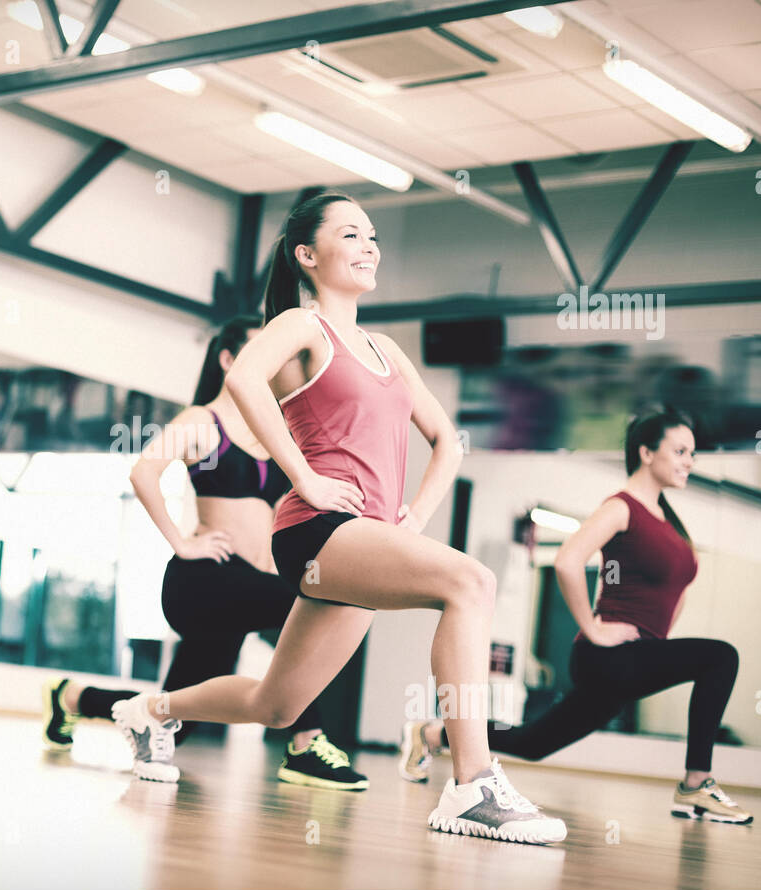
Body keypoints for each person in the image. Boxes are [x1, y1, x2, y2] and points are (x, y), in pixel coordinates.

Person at [108, 192, 566, 844]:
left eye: (373, 235)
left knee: (276, 703)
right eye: (351, 234)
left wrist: (413, 519)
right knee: (472, 583)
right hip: (315, 532)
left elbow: (449, 441)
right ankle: (473, 782)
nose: (369, 245)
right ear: (307, 253)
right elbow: (244, 383)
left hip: (364, 537)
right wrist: (306, 477)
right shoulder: (302, 326)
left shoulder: (385, 348)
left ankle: (151, 710)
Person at [42, 316, 367, 790]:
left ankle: (71, 697)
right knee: (306, 601)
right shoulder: (203, 422)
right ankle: (305, 743)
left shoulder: (276, 431)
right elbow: (143, 472)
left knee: (181, 714)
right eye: (259, 351)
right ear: (229, 359)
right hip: (205, 580)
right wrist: (183, 542)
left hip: (244, 588)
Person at [399, 407, 752, 824]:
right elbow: (568, 560)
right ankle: (696, 785)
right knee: (721, 656)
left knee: (535, 743)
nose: (689, 461)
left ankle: (431, 734)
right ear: (646, 453)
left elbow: (679, 587)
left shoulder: (669, 521)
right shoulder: (622, 508)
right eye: (679, 451)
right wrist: (593, 629)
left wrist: (659, 643)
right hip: (607, 656)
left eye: (691, 453)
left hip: (635, 657)